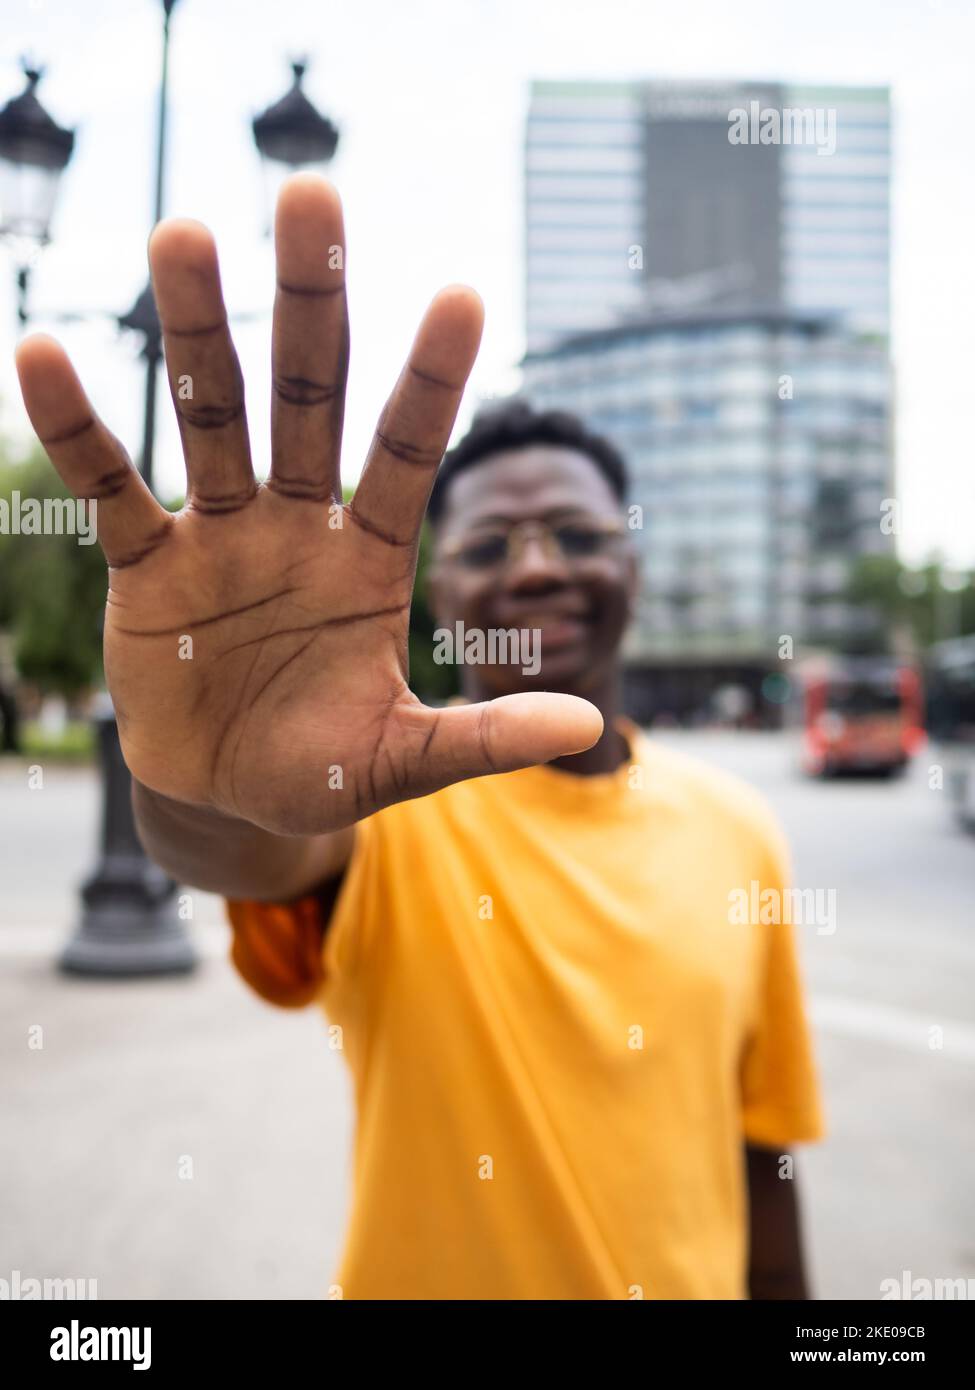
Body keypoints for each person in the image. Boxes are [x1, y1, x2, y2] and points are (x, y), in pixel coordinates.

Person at [15, 174, 824, 1301]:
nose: (536, 565)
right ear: (435, 592)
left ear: (632, 570)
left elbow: (764, 1149)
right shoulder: (383, 806)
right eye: (491, 544)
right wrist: (207, 783)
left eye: (576, 534)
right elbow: (257, 852)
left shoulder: (741, 831)